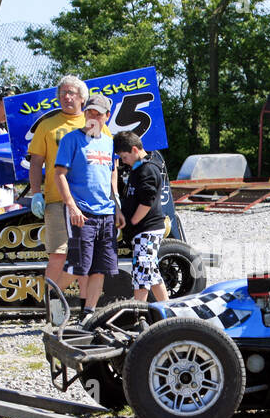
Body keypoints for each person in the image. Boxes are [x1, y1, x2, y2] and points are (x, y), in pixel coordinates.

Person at [26, 75, 109, 293]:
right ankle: (51, 306)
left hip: (91, 204)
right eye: (62, 93)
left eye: (71, 92)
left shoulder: (94, 122)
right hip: (57, 201)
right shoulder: (47, 125)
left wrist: (113, 194)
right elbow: (36, 162)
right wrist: (36, 193)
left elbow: (109, 162)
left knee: (85, 256)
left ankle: (85, 310)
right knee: (58, 254)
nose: (66, 96)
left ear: (83, 98)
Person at [54, 93, 122, 317]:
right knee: (77, 265)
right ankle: (53, 297)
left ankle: (88, 313)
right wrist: (71, 206)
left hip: (107, 212)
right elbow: (60, 174)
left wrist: (117, 205)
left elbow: (113, 172)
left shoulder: (110, 142)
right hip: (81, 211)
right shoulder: (71, 140)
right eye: (89, 112)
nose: (93, 117)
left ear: (107, 117)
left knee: (100, 268)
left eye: (98, 114)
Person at [115, 131, 168, 302]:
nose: (123, 161)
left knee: (141, 275)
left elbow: (147, 200)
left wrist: (134, 221)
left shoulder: (147, 169)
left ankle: (139, 313)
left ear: (134, 150)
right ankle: (169, 308)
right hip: (143, 231)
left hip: (147, 230)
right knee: (151, 273)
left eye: (124, 156)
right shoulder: (137, 169)